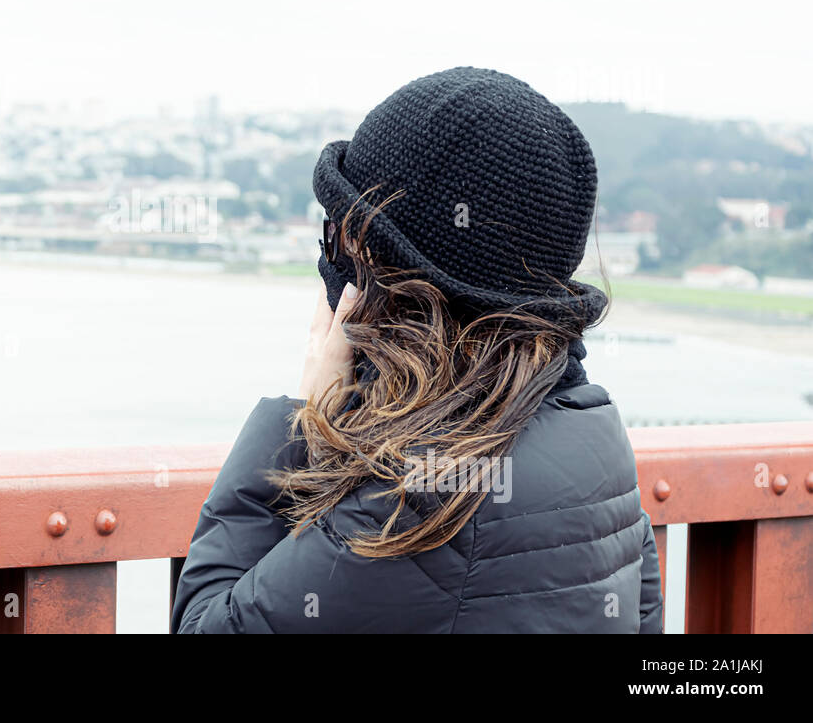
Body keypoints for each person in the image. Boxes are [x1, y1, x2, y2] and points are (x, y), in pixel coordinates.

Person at [171, 67, 663, 633]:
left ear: (387, 275)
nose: (329, 257)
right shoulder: (597, 436)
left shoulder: (415, 495)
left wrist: (303, 421)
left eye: (338, 234)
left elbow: (207, 626)